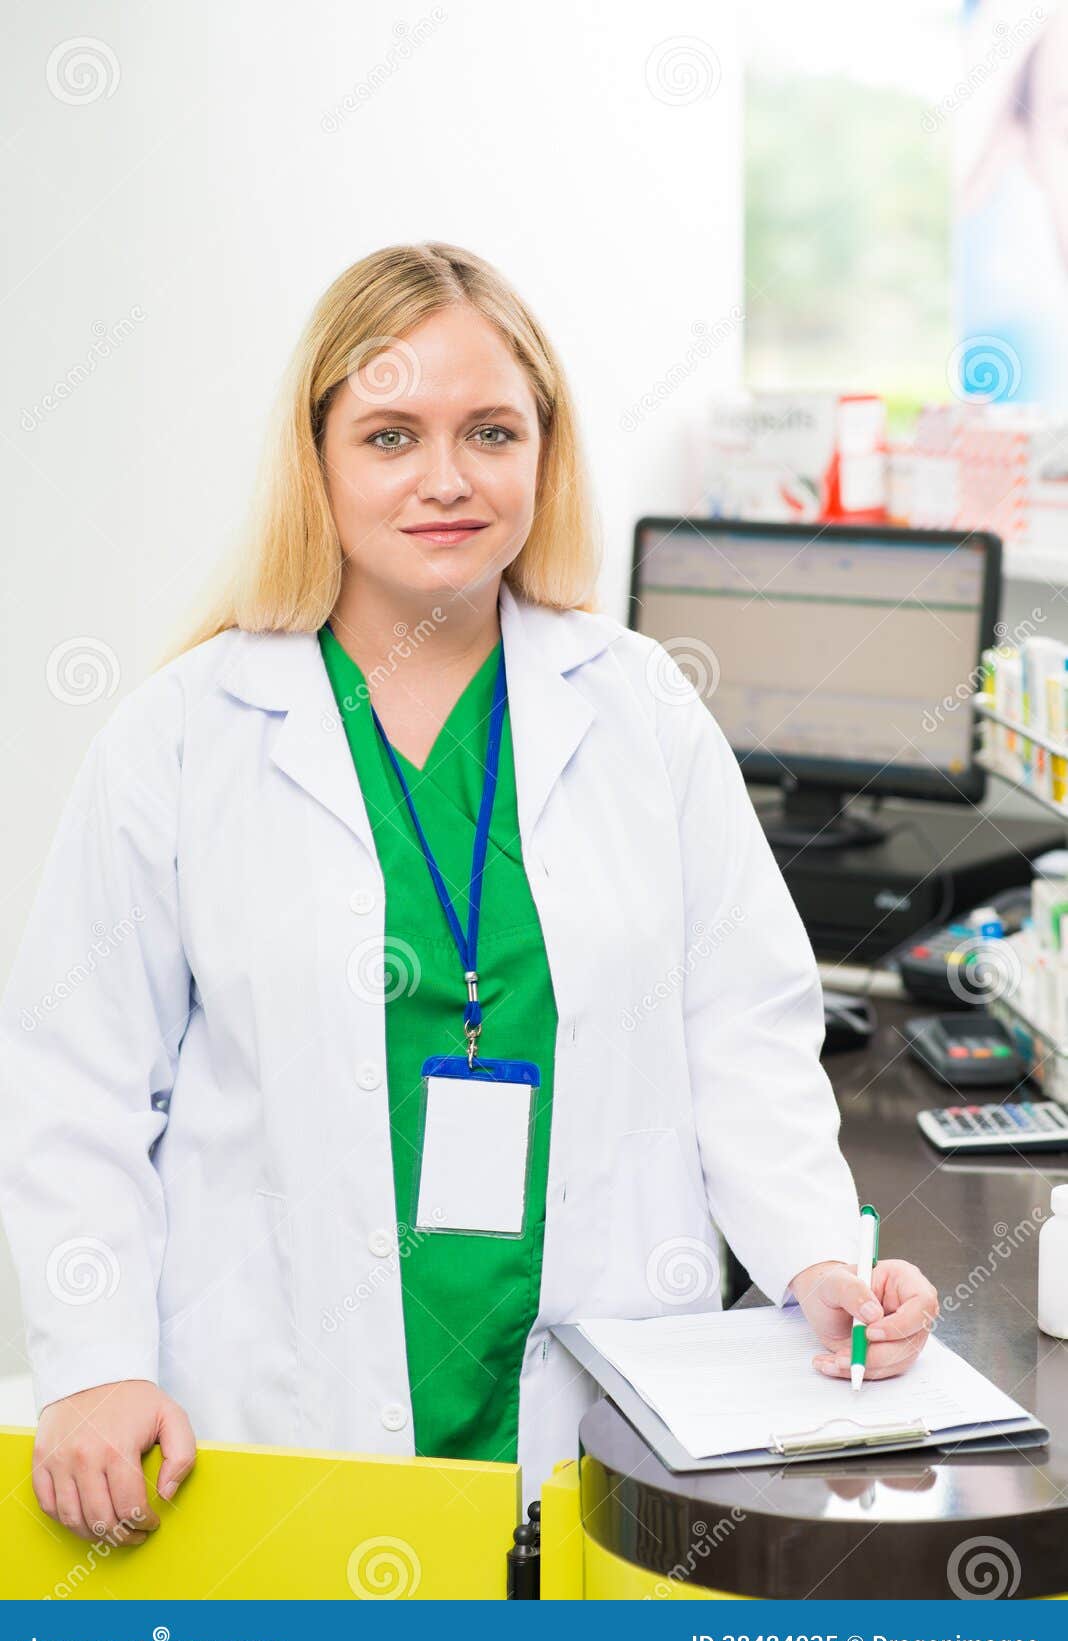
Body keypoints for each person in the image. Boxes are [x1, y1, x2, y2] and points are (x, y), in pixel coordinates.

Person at [0, 242, 938, 1549]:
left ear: (543, 453)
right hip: (275, 1411)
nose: (446, 477)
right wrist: (95, 1356)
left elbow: (744, 1029)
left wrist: (815, 1257)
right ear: (316, 459)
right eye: (391, 433)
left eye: (490, 430)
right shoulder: (185, 734)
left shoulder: (641, 709)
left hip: (599, 1410)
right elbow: (76, 1082)